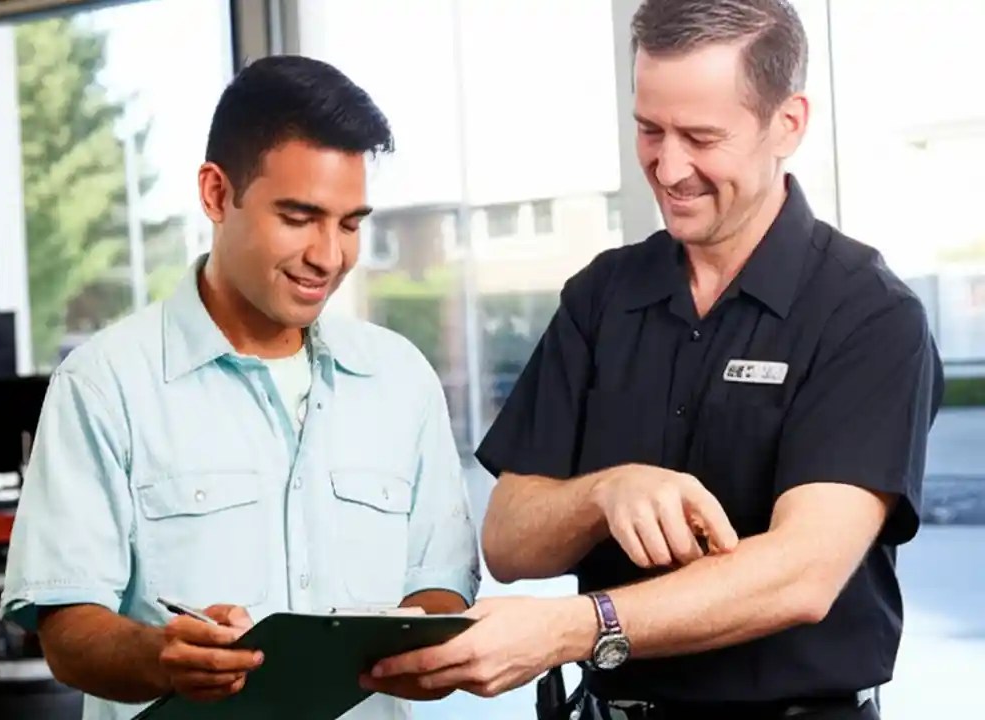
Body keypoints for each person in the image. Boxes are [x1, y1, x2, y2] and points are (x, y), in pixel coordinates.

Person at [362, 1, 943, 718]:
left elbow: (802, 573)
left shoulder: (868, 314)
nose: (668, 168)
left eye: (701, 137)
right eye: (649, 130)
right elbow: (508, 540)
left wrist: (573, 629)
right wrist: (605, 493)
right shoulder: (601, 296)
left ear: (787, 124)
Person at [0, 55, 481, 720]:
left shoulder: (401, 380)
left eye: (349, 223)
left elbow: (442, 587)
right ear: (216, 194)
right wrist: (160, 656)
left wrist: (412, 648)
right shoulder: (103, 385)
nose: (329, 255)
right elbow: (68, 630)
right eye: (299, 217)